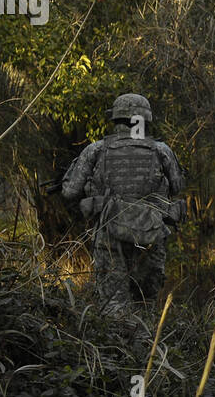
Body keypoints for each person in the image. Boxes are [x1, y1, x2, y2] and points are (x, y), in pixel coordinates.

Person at [62, 93, 185, 311]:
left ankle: (117, 344)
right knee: (145, 305)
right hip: (150, 234)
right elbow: (177, 187)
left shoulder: (96, 149)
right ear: (145, 120)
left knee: (113, 305)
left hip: (110, 235)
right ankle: (146, 343)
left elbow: (70, 192)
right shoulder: (161, 150)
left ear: (116, 118)